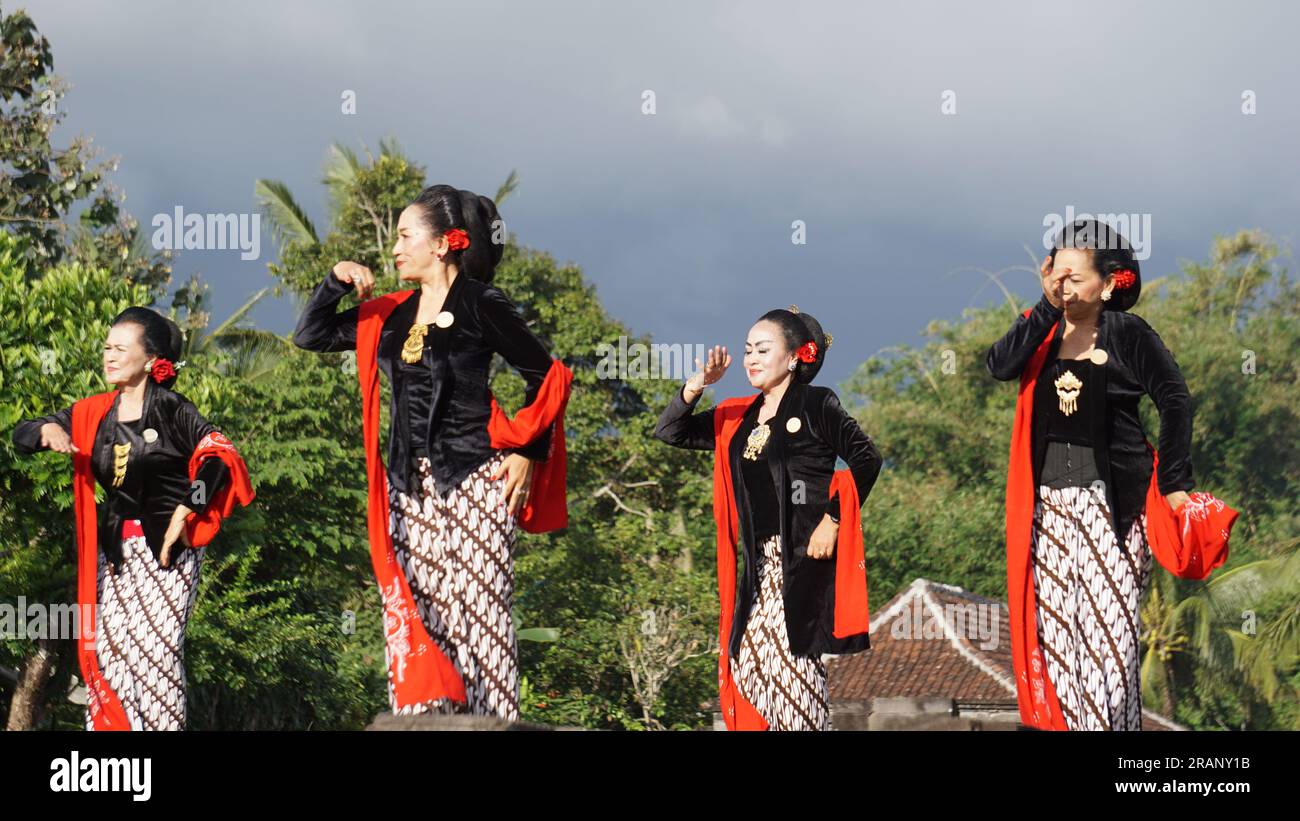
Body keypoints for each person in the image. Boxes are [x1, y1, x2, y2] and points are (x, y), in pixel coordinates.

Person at [293, 184, 571, 721]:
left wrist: (527, 449)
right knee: (421, 613)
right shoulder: (389, 315)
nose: (394, 248)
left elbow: (547, 376)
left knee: (479, 612)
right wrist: (335, 280)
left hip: (475, 479)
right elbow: (311, 335)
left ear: (443, 244)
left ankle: (492, 724)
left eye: (404, 235)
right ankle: (425, 724)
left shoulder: (481, 304)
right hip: (407, 490)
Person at [986, 218, 1211, 730]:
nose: (1063, 286)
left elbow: (1175, 400)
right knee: (1060, 648)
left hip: (1111, 508)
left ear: (1109, 284)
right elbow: (998, 365)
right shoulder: (1038, 330)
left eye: (1075, 277)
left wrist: (1175, 483)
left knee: (1109, 651)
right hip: (1047, 513)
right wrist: (1044, 307)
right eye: (1055, 274)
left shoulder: (1128, 333)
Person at [12, 307, 253, 730]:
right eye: (107, 346)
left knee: (155, 655)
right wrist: (45, 431)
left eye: (120, 348)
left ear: (149, 358)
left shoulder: (171, 408)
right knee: (113, 655)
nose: (109, 355)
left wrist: (189, 506)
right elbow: (23, 432)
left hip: (167, 552)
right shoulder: (93, 413)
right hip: (115, 555)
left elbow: (219, 455)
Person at [654, 307, 881, 730]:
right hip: (757, 570)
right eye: (746, 351)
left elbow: (867, 459)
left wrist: (832, 520)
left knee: (794, 674)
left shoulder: (817, 403)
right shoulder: (737, 417)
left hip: (800, 561)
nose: (751, 359)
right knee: (748, 669)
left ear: (794, 357)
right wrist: (698, 385)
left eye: (763, 349)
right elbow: (671, 431)